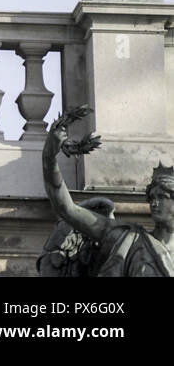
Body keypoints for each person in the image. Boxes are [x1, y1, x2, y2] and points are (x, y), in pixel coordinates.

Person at [43, 106, 173, 277]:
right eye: (152, 197)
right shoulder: (128, 238)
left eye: (162, 197)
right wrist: (49, 157)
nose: (154, 203)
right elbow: (67, 209)